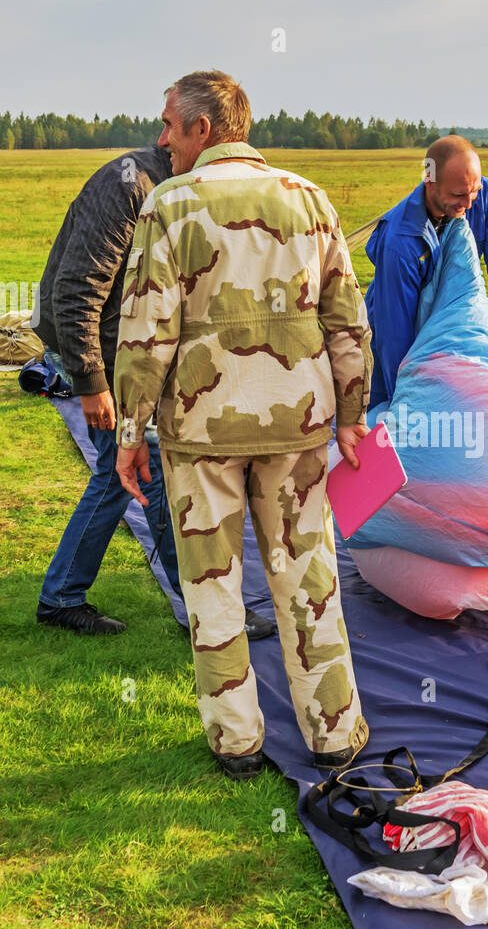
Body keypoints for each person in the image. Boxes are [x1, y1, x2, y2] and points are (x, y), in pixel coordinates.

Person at [114, 70, 372, 779]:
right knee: (307, 576)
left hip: (202, 434)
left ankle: (236, 742)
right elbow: (347, 319)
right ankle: (335, 731)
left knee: (212, 586)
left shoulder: (168, 205)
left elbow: (144, 334)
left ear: (203, 129)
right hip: (299, 427)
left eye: (169, 125)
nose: (162, 140)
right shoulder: (310, 199)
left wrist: (129, 435)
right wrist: (351, 414)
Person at [33, 147, 274, 641]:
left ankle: (74, 596)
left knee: (140, 473)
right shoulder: (128, 186)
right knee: (126, 472)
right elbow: (76, 289)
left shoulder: (177, 189)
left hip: (124, 358)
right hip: (101, 358)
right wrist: (91, 382)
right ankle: (71, 598)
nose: (164, 136)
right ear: (205, 133)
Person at [364, 136, 488, 407]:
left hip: (459, 340)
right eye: (458, 195)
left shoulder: (485, 195)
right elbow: (396, 336)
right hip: (400, 343)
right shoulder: (401, 240)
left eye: (473, 190)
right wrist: (406, 404)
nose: (470, 203)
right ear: (430, 180)